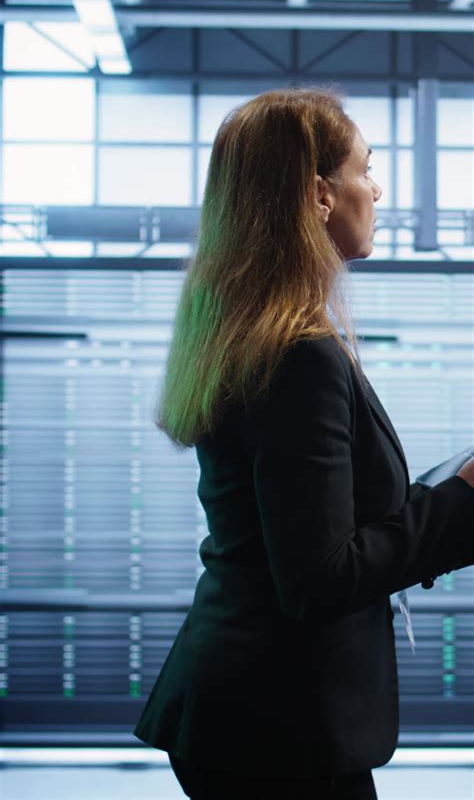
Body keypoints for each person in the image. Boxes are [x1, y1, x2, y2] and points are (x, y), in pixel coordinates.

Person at [132, 87, 474, 799]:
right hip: (276, 726)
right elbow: (318, 576)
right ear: (320, 195)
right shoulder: (300, 355)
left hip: (247, 715)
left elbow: (319, 523)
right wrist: (461, 504)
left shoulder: (254, 335)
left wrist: (436, 503)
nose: (375, 190)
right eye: (364, 170)